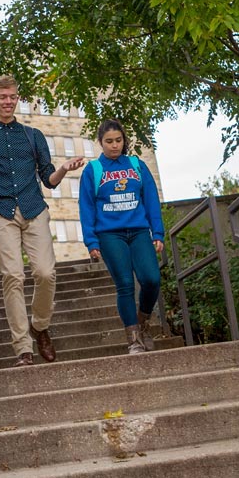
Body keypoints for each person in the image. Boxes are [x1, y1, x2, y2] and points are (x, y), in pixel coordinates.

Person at [0, 76, 85, 367]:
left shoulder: (33, 135)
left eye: (12, 96)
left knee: (46, 273)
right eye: (3, 96)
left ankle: (40, 326)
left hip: (34, 208)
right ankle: (23, 348)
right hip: (1, 212)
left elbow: (49, 180)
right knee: (12, 276)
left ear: (17, 99)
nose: (8, 101)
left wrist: (63, 168)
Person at [78, 119, 165, 355]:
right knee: (125, 284)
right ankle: (134, 340)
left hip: (139, 231)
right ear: (100, 142)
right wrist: (91, 241)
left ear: (124, 140)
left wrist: (157, 232)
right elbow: (86, 207)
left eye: (118, 140)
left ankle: (143, 322)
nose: (114, 145)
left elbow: (151, 200)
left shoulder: (137, 165)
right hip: (109, 235)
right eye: (109, 141)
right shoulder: (93, 170)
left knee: (151, 279)